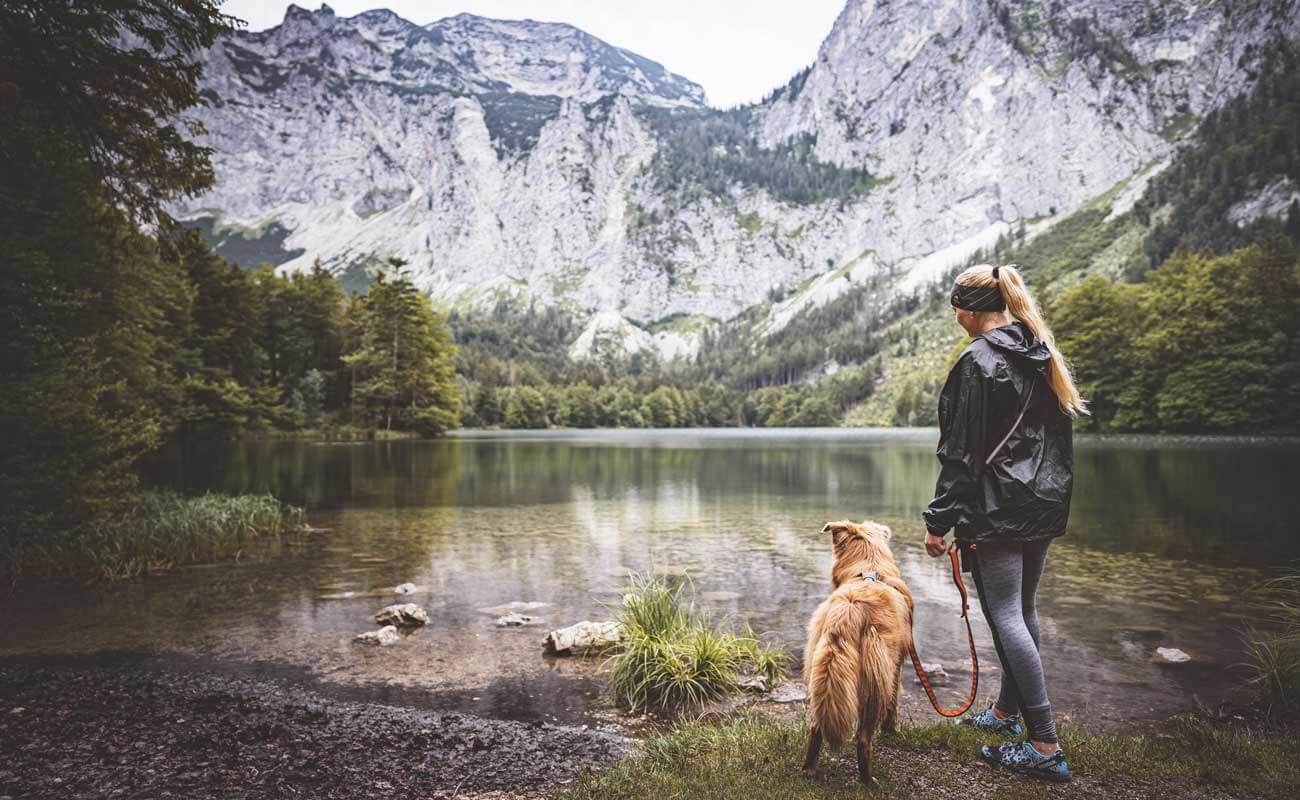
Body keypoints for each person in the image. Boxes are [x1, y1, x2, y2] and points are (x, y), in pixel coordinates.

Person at [921, 263, 1086, 783]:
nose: (955, 318)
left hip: (997, 508)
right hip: (1041, 503)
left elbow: (962, 453)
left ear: (966, 312)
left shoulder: (978, 361)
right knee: (1024, 608)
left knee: (1005, 615)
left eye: (955, 311)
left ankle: (1044, 744)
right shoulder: (1037, 347)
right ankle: (1005, 714)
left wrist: (938, 521)